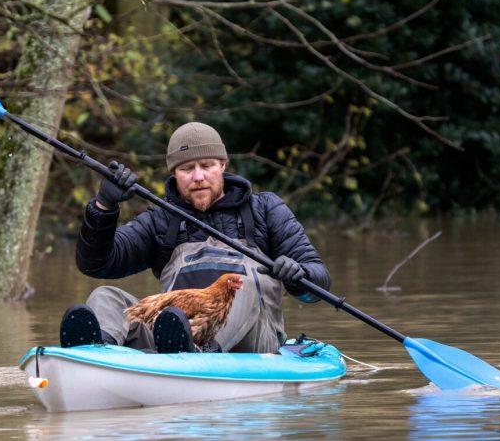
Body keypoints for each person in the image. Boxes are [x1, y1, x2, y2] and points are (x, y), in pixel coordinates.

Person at [62, 122, 331, 354]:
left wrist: (298, 275)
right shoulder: (162, 218)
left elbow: (319, 284)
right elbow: (95, 264)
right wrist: (104, 206)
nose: (199, 177)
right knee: (105, 296)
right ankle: (98, 353)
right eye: (187, 168)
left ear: (223, 165)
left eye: (207, 165)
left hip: (253, 343)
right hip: (172, 341)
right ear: (174, 174)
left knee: (242, 286)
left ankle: (204, 352)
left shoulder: (265, 209)